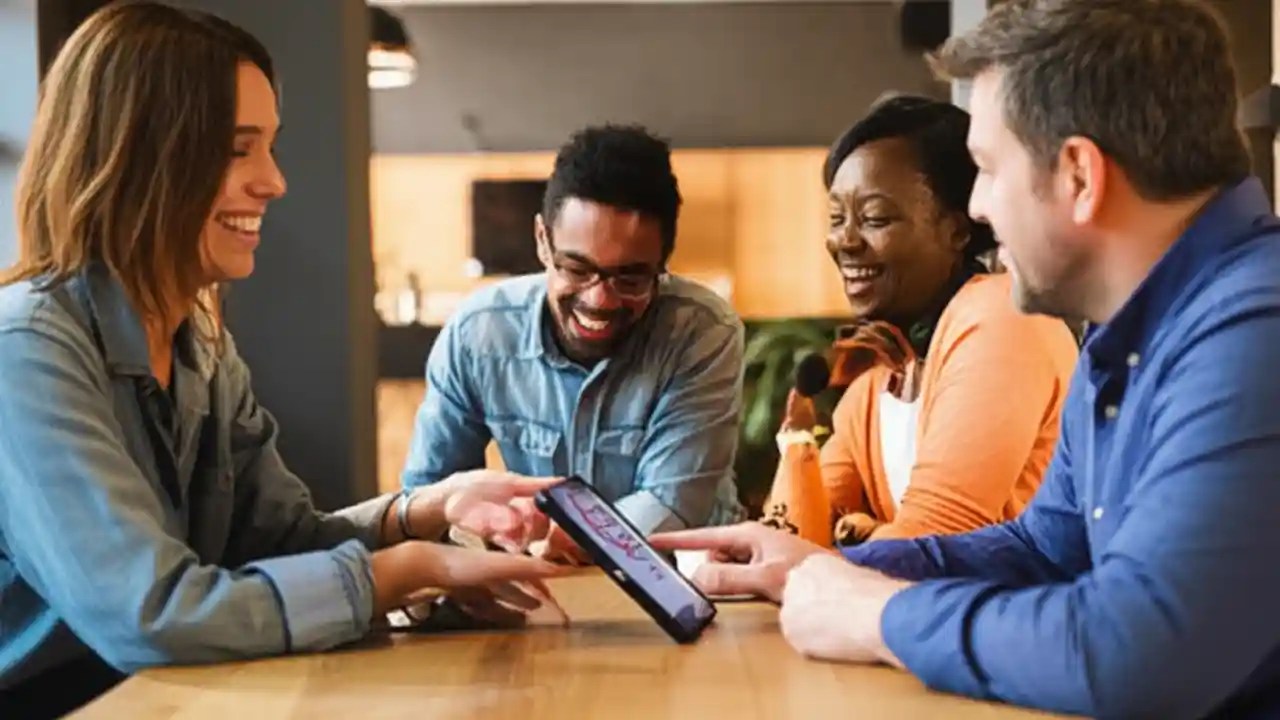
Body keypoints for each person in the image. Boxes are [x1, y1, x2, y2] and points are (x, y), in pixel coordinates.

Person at [654, 0, 1280, 717]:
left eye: (986, 168)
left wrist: (875, 614)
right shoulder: (1131, 330)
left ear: (1078, 174)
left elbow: (1138, 653)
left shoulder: (1256, 333)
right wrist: (831, 567)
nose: (977, 207)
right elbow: (1047, 546)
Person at [0, 5, 564, 716]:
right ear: (142, 158)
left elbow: (286, 540)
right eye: (239, 149)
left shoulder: (199, 346)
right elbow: (154, 615)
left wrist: (429, 509)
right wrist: (408, 570)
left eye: (269, 146)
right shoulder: (25, 350)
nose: (274, 181)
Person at [401, 124, 746, 560]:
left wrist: (557, 539)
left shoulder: (703, 332)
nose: (599, 300)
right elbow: (427, 495)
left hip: (689, 578)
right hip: (543, 581)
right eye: (577, 269)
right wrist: (481, 530)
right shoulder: (478, 334)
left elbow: (671, 505)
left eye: (631, 277)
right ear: (543, 242)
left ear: (663, 264)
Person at [813, 94, 1077, 544]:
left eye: (874, 218)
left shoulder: (1001, 317)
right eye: (837, 217)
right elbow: (804, 520)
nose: (845, 240)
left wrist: (869, 539)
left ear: (956, 229)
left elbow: (936, 538)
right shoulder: (878, 380)